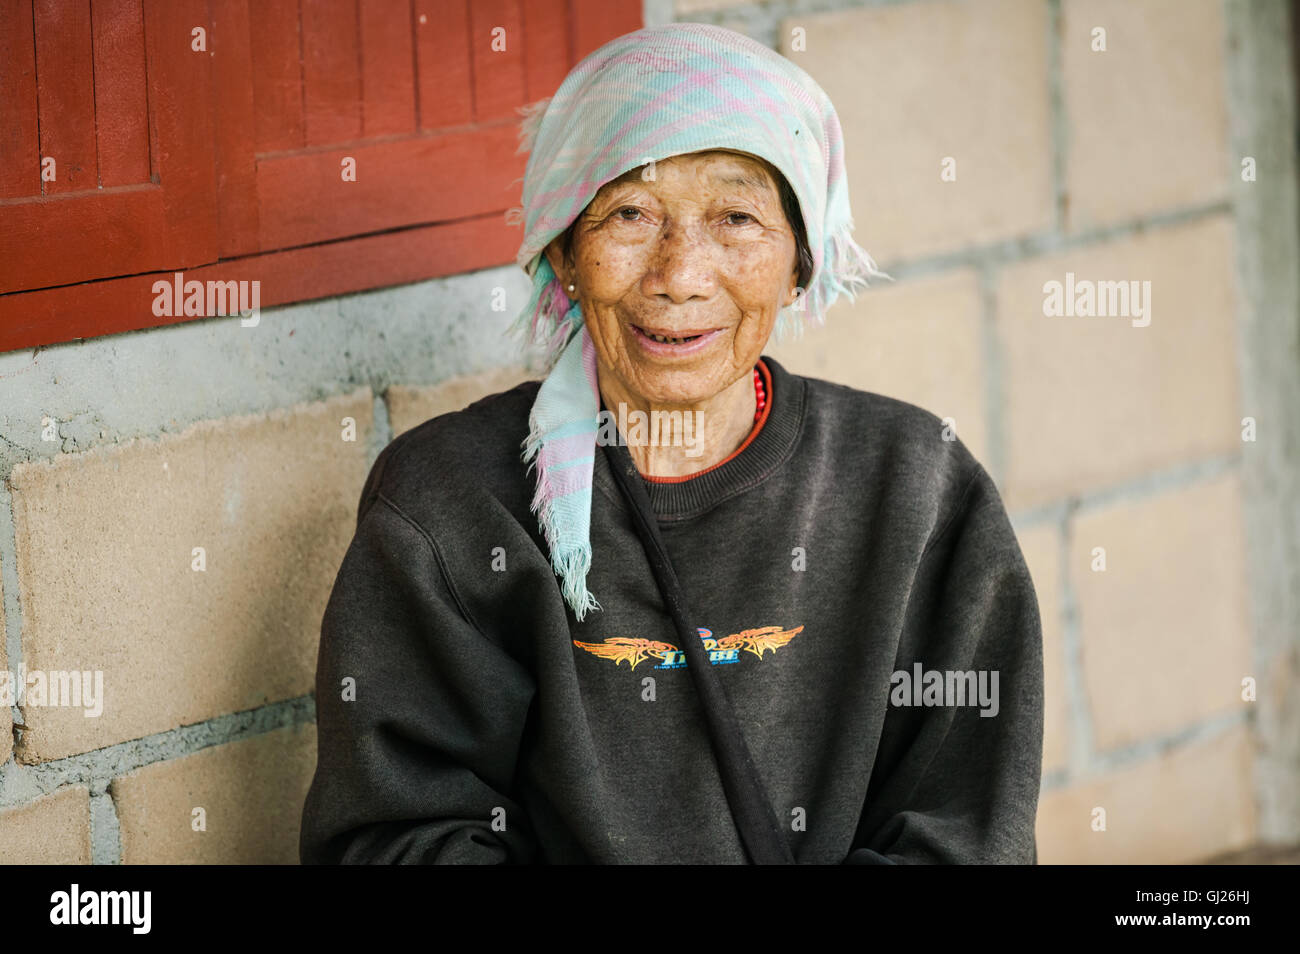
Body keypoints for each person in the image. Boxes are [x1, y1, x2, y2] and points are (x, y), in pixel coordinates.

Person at [300, 21, 1043, 864]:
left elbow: (965, 832)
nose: (681, 274)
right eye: (630, 213)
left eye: (736, 217)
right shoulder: (449, 504)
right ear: (565, 253)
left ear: (799, 259)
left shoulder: (915, 486)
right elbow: (395, 836)